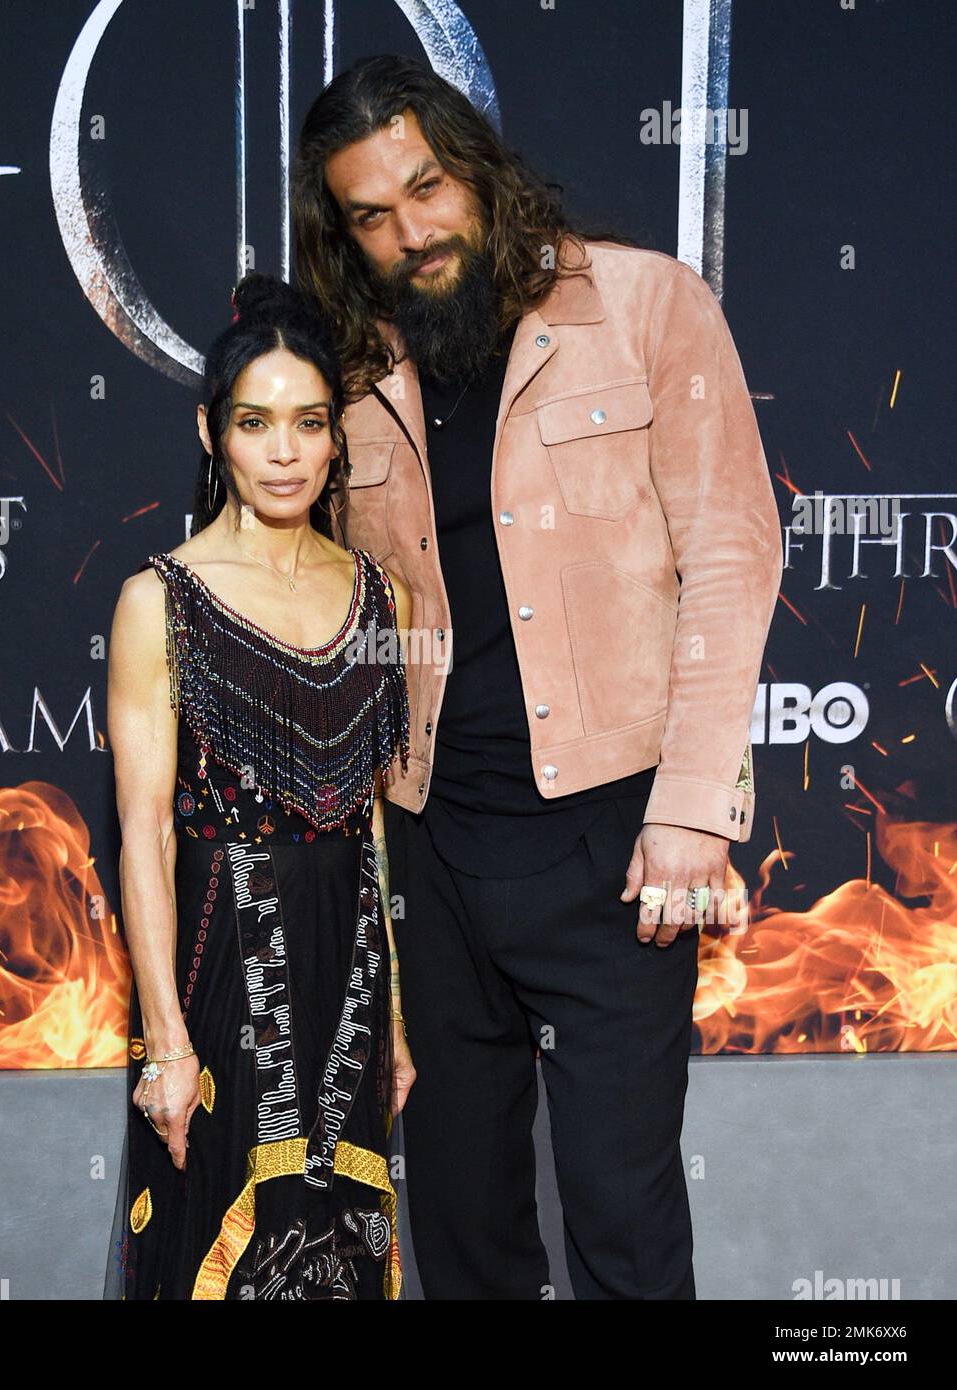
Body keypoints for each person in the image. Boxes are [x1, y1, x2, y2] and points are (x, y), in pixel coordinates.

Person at [290, 55, 782, 1298]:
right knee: (461, 1218)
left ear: (477, 167)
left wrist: (690, 812)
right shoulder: (351, 375)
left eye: (429, 185)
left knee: (620, 1217)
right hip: (432, 852)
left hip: (612, 840)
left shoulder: (644, 304)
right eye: (372, 215)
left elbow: (733, 550)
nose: (413, 229)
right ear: (342, 234)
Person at [102, 273, 415, 1301]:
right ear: (212, 432)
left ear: (336, 438)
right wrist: (167, 1044)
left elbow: (370, 819)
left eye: (309, 422)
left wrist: (397, 1021)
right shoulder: (161, 599)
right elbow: (143, 832)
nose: (284, 450)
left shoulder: (384, 595)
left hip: (348, 968)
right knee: (222, 1247)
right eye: (255, 422)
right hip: (221, 958)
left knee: (340, 1249)